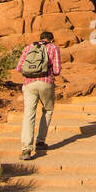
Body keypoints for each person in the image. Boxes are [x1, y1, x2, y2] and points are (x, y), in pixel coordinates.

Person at [16, 30, 61, 160]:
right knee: (47, 110)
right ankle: (40, 142)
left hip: (29, 84)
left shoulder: (29, 47)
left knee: (29, 115)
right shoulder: (53, 47)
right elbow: (57, 70)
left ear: (40, 39)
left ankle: (26, 149)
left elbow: (19, 68)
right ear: (51, 39)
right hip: (46, 83)